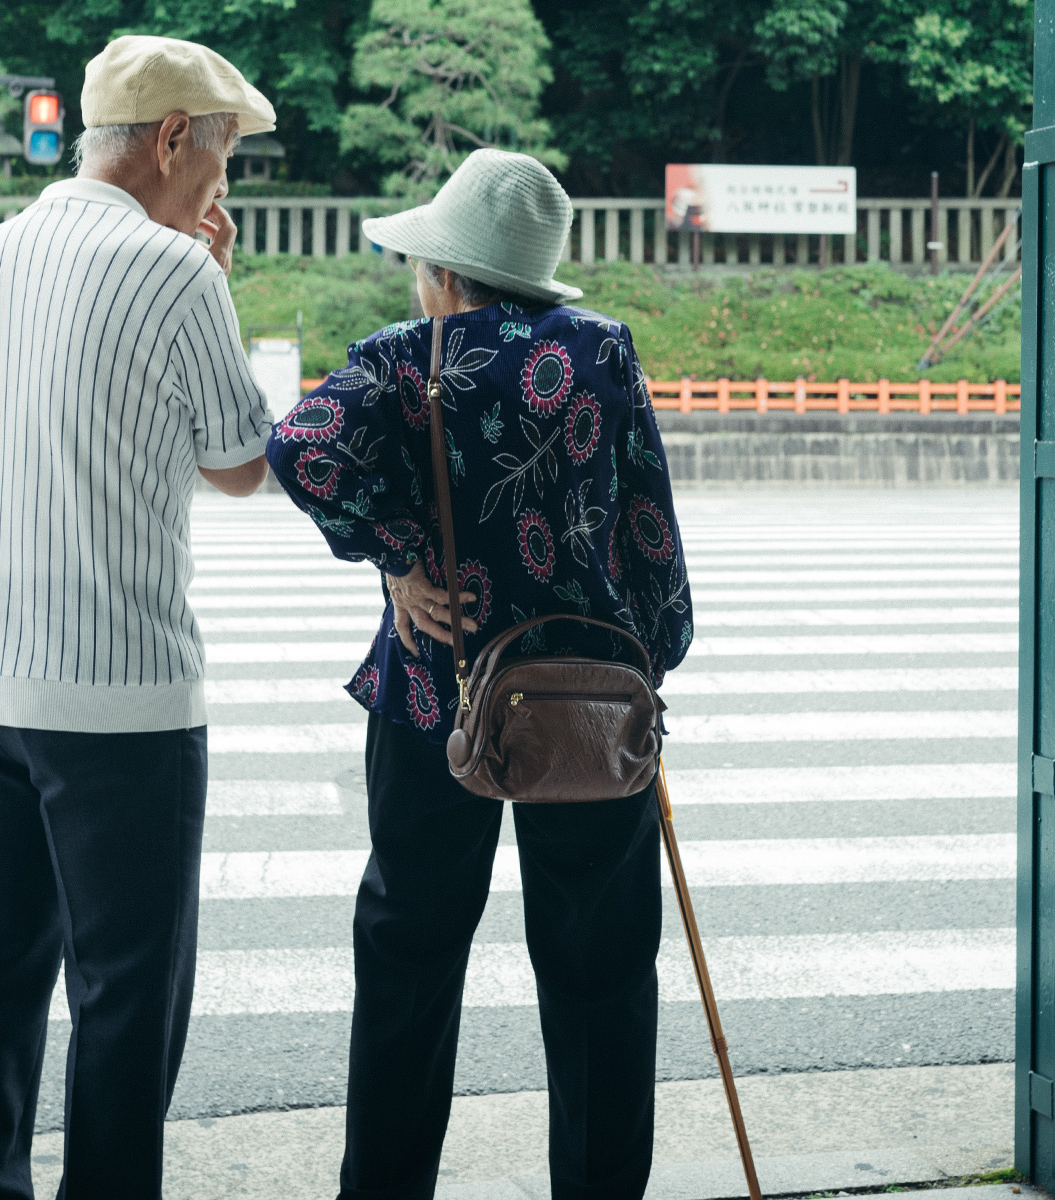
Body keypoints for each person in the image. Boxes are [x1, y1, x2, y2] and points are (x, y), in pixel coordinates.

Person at [0, 35, 276, 1199]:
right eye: (219, 166)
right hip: (120, 702)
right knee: (123, 999)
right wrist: (215, 277)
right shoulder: (174, 272)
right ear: (169, 141)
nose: (221, 193)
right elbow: (241, 462)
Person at [266, 149, 694, 1200]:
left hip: (433, 689)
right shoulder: (600, 350)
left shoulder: (404, 357)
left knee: (410, 953)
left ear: (448, 274)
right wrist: (653, 651)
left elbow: (299, 448)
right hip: (589, 701)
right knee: (599, 970)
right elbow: (647, 519)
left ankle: (383, 1189)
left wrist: (399, 558)